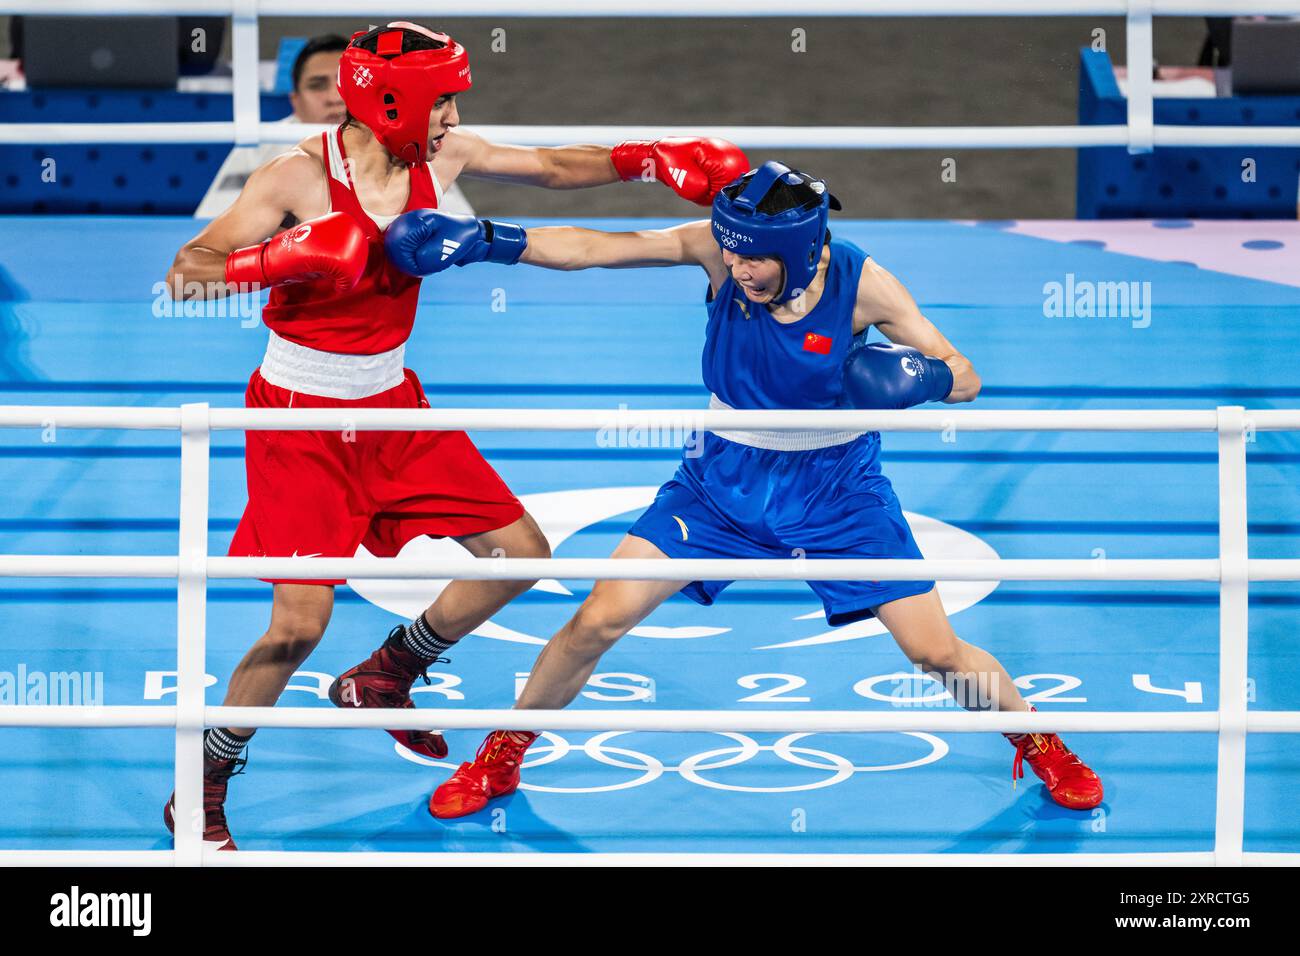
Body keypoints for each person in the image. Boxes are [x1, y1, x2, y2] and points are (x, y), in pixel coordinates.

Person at [161, 20, 748, 850]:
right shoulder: (293, 178)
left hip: (395, 404)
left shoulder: (443, 157)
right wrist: (282, 257)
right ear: (391, 101)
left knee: (521, 554)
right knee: (296, 627)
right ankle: (203, 779)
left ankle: (387, 672)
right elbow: (188, 275)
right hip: (298, 416)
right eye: (442, 100)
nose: (452, 115)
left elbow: (550, 169)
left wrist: (645, 157)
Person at [382, 161, 1105, 821]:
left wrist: (927, 378)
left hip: (838, 488)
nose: (738, 267)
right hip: (717, 478)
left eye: (755, 257)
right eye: (732, 250)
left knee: (935, 652)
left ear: (798, 251)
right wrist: (489, 238)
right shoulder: (717, 249)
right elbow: (597, 248)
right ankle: (502, 754)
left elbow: (964, 373)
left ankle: (1042, 744)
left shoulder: (863, 284)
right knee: (598, 619)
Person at [194, 33, 475, 219]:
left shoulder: (407, 141)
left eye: (341, 86)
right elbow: (213, 228)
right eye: (317, 86)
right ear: (295, 99)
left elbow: (454, 225)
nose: (333, 98)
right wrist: (284, 254)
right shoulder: (261, 147)